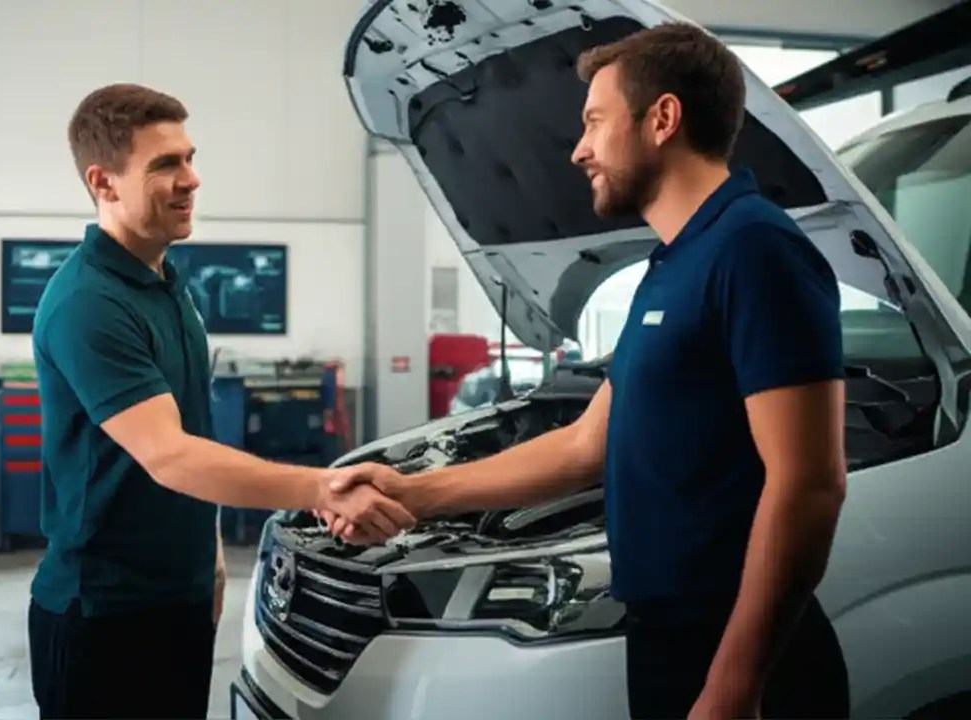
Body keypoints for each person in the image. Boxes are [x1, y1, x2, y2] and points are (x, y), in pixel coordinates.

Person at [325, 22, 851, 720]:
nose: (578, 150)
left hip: (741, 654)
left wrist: (732, 686)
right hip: (670, 635)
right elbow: (584, 446)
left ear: (662, 118)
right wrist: (412, 492)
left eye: (595, 122)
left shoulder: (754, 249)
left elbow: (810, 483)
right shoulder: (673, 264)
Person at [27, 83, 415, 720]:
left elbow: (192, 432)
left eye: (188, 157)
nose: (191, 179)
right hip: (103, 615)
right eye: (165, 165)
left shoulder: (167, 284)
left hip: (176, 601)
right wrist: (322, 488)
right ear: (104, 183)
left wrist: (206, 563)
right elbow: (171, 457)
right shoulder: (88, 302)